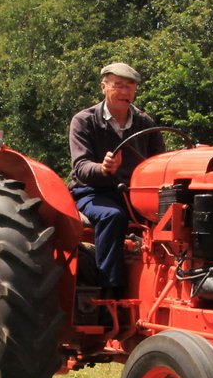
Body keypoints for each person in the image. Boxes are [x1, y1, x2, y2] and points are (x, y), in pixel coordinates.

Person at [69, 61, 165, 298]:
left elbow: (161, 161)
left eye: (129, 87)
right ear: (104, 87)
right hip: (93, 191)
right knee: (113, 216)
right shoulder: (84, 120)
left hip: (134, 193)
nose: (124, 92)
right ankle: (110, 292)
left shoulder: (145, 122)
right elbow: (81, 167)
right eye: (118, 85)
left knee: (171, 217)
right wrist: (102, 168)